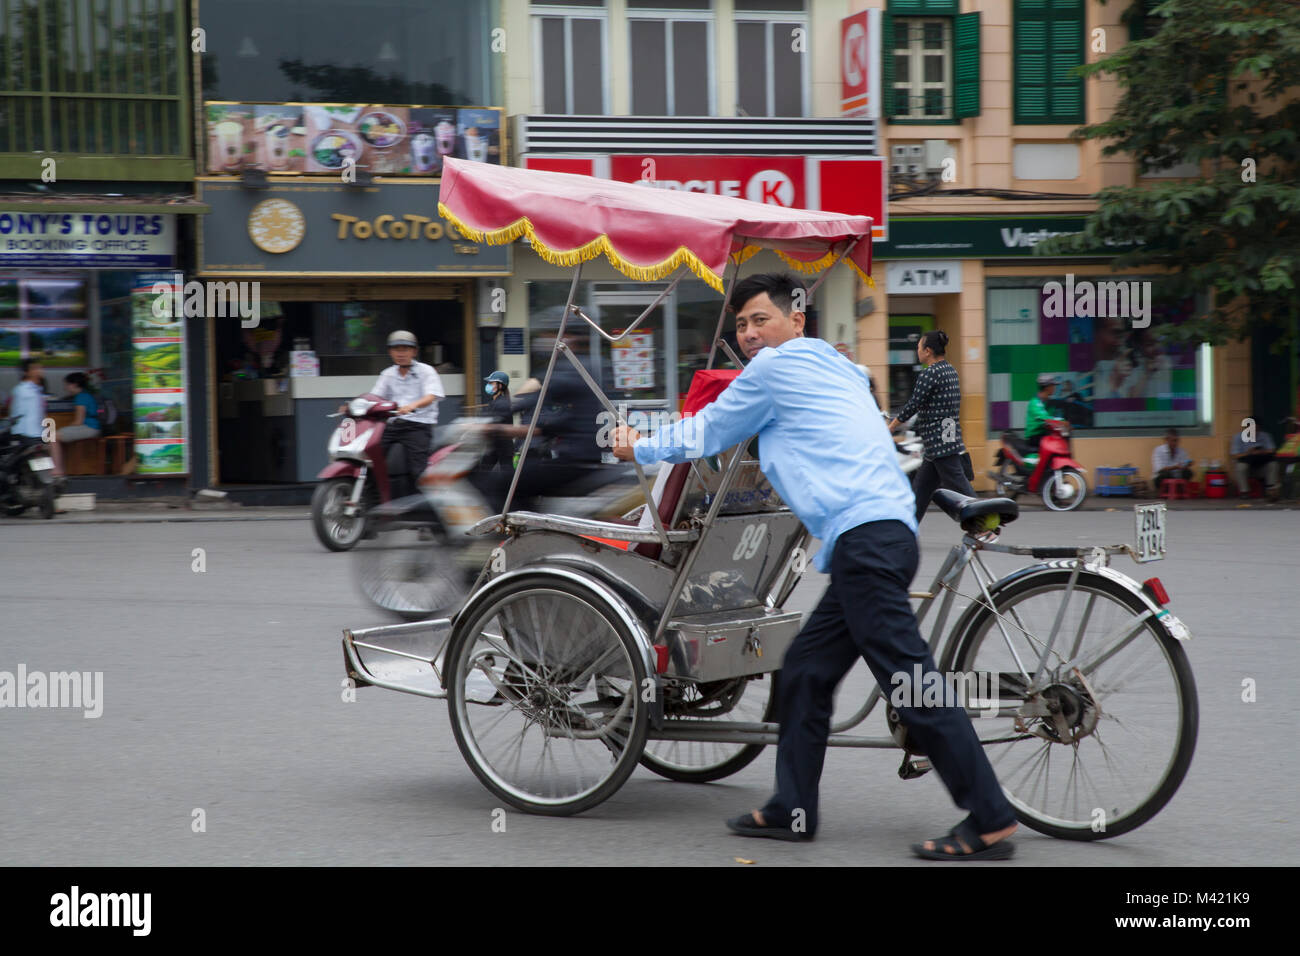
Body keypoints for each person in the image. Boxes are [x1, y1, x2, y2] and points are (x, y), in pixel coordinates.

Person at [611, 273, 1017, 860]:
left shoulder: (773, 370)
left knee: (911, 680)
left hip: (866, 541)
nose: (750, 334)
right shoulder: (838, 364)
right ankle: (791, 808)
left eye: (761, 320)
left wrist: (637, 445)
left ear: (795, 320)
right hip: (879, 537)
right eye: (742, 325)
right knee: (805, 670)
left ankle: (989, 815)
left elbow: (708, 430)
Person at [888, 331, 975, 524]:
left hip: (938, 442)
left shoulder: (930, 373)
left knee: (960, 487)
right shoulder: (950, 371)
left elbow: (913, 404)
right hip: (945, 438)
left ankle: (984, 521)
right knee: (921, 490)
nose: (917, 351)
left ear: (928, 351)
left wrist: (892, 426)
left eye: (919, 347)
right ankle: (907, 527)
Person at [367, 330, 445, 499]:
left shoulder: (426, 371)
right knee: (369, 455)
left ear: (414, 351)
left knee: (417, 469)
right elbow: (375, 397)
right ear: (390, 352)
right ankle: (373, 498)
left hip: (418, 425)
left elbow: (431, 396)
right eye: (396, 349)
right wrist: (355, 405)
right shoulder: (387, 374)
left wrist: (412, 405)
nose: (401, 353)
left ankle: (423, 505)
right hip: (392, 424)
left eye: (405, 349)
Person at [1230, 418, 1280, 499]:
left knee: (1273, 464)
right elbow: (1235, 455)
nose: (1254, 432)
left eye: (1256, 429)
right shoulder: (1238, 437)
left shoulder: (1265, 436)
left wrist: (1261, 451)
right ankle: (1244, 492)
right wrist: (1249, 452)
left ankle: (1270, 491)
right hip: (1247, 466)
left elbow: (1272, 450)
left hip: (1261, 465)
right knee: (1240, 467)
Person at [480, 370, 515, 471]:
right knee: (483, 470)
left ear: (500, 385)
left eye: (491, 383)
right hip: (494, 445)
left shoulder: (502, 403)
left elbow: (492, 421)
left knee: (507, 474)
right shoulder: (494, 402)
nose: (488, 385)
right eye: (488, 383)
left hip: (503, 446)